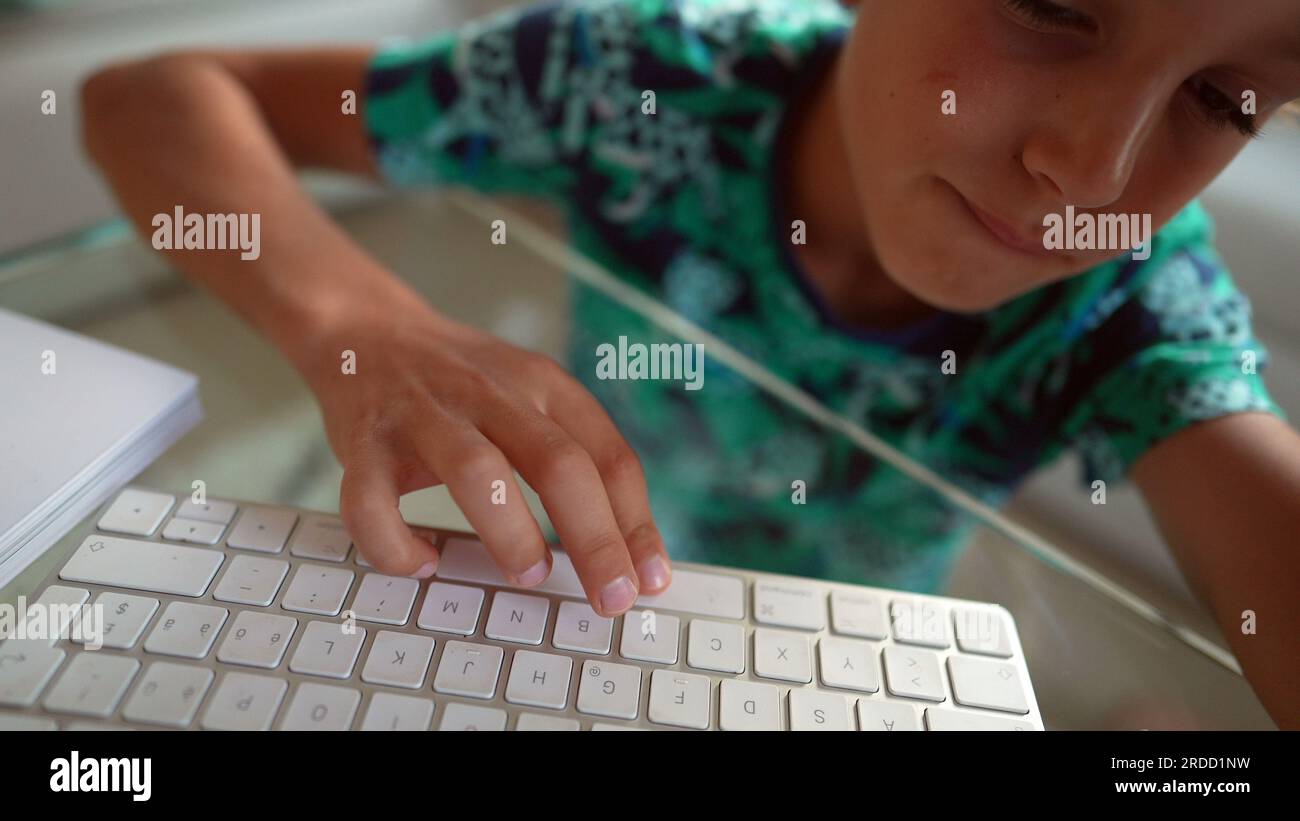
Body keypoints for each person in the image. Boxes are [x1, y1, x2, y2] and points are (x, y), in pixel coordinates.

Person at [79, 0, 1300, 726]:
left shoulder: (1133, 298)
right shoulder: (645, 77)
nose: (1091, 175)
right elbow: (155, 95)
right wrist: (363, 323)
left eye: (1225, 99)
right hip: (544, 608)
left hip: (820, 684)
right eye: (1052, 2)